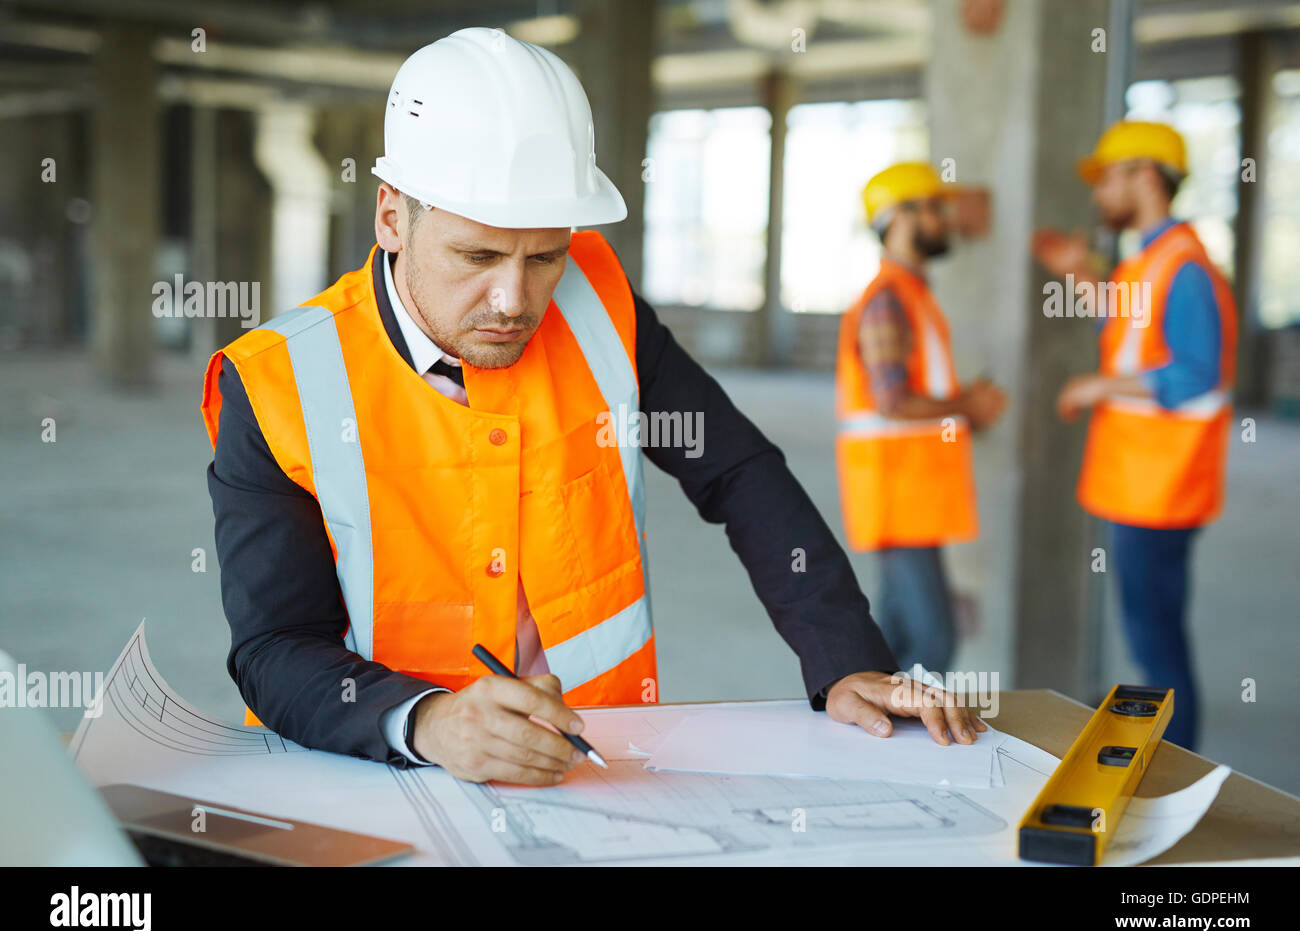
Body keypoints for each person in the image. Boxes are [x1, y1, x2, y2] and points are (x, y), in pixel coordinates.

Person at [201, 29, 986, 787]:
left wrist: (845, 656)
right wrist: (427, 722)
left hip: (601, 770)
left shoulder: (600, 306)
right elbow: (276, 645)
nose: (514, 301)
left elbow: (738, 471)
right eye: (476, 256)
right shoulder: (280, 383)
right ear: (390, 217)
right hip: (376, 780)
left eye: (544, 256)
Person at [1032, 120, 1237, 750]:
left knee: (1156, 640)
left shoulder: (1185, 267)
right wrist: (1077, 274)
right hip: (1141, 481)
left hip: (1162, 484)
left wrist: (1095, 387)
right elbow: (1128, 327)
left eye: (1108, 178)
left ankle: (1185, 768)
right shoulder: (1150, 260)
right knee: (1152, 630)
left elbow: (1196, 373)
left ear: (1146, 177)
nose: (1099, 195)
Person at [835, 162, 1007, 675]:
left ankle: (871, 741)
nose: (944, 219)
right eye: (932, 208)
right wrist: (967, 406)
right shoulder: (889, 300)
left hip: (914, 494)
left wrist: (964, 404)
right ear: (898, 218)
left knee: (896, 640)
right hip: (900, 494)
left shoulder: (912, 295)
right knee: (934, 645)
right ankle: (901, 741)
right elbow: (893, 400)